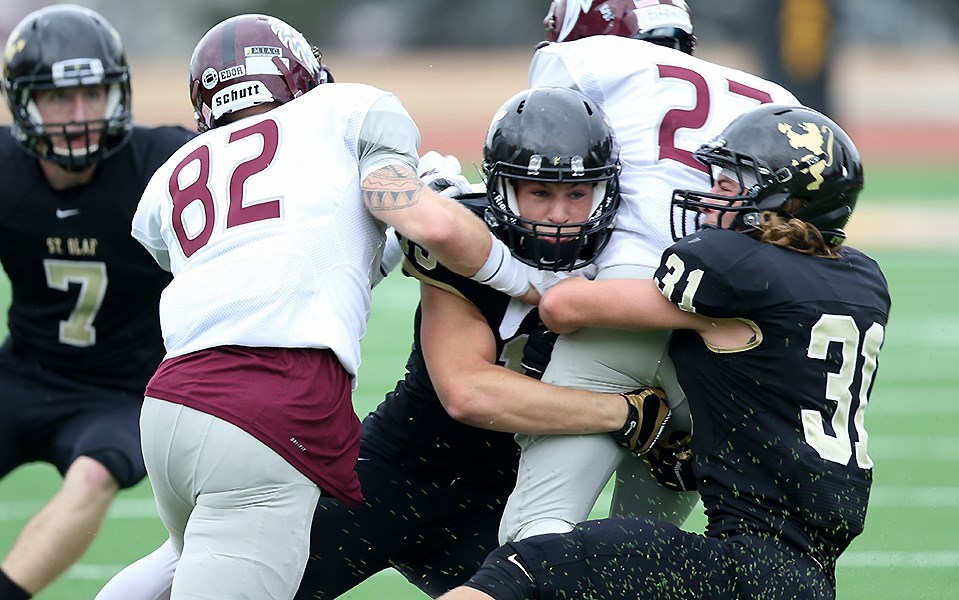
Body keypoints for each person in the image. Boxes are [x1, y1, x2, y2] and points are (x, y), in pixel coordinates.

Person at [96, 85, 680, 599]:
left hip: (499, 499)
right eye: (538, 194)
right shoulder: (465, 237)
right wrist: (625, 416)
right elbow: (468, 391)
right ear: (502, 190)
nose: (558, 215)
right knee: (217, 568)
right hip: (392, 475)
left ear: (606, 193)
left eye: (576, 195)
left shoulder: (627, 258)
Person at [440, 103, 890, 600]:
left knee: (523, 568)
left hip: (742, 565)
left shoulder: (740, 272)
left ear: (790, 202)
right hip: (803, 574)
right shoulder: (862, 279)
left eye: (727, 185)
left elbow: (566, 307)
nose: (709, 198)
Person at [497, 0, 803, 545]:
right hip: (724, 324)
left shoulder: (585, 61)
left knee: (536, 532)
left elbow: (538, 146)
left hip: (622, 303)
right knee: (642, 551)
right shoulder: (777, 98)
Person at [0, 5, 195, 599]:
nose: (79, 116)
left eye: (93, 94)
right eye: (59, 99)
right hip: (25, 371)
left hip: (125, 390)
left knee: (92, 476)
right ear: (23, 105)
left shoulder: (163, 164)